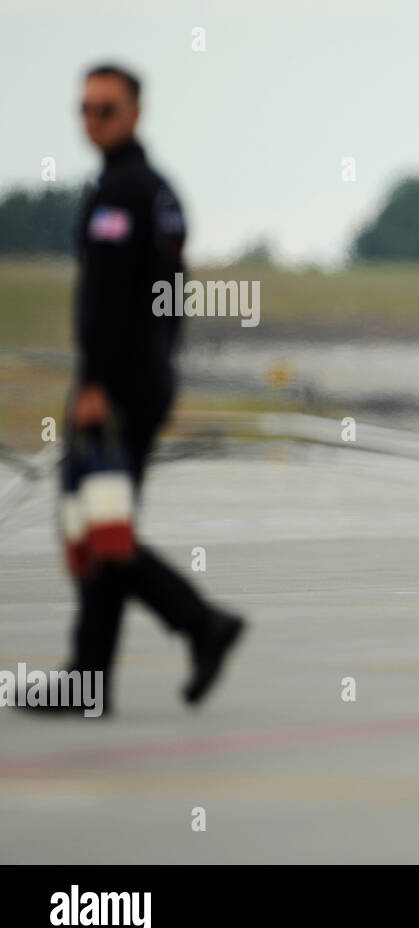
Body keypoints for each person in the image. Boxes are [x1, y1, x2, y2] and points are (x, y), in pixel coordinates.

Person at [33, 64, 243, 715]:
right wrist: (158, 367)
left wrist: (98, 382)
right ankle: (91, 677)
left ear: (135, 112)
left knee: (99, 528)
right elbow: (167, 299)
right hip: (144, 375)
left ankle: (198, 621)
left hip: (116, 383)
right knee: (97, 525)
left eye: (105, 109)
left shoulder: (121, 195)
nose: (92, 121)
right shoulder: (159, 193)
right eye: (86, 109)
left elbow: (111, 304)